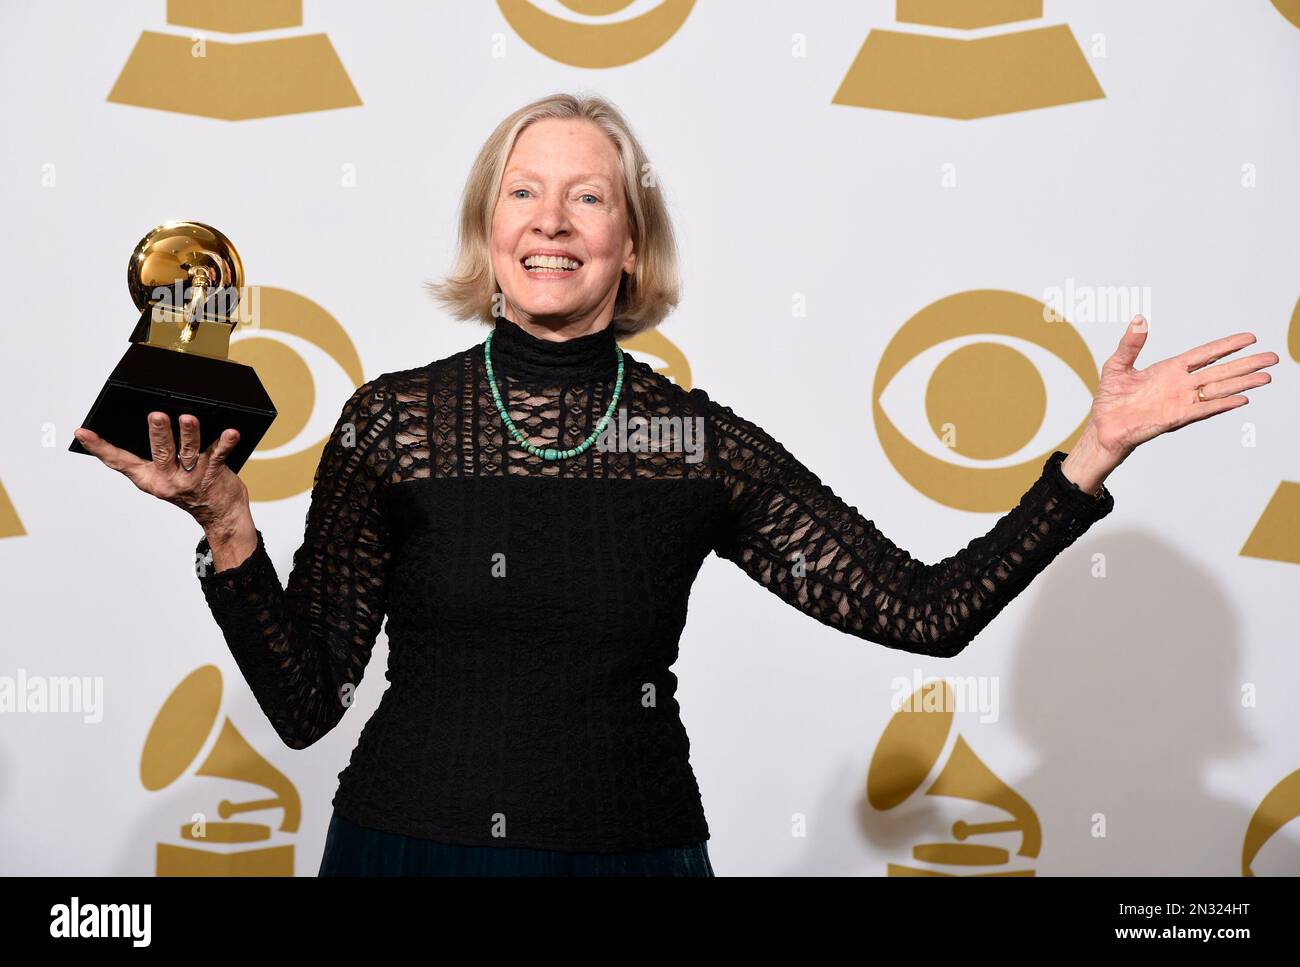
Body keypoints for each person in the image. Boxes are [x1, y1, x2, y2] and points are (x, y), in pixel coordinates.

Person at [73, 93, 1278, 877]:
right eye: (523, 191)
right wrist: (227, 525)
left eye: (588, 194)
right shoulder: (394, 422)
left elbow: (925, 609)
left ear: (630, 243)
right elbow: (305, 702)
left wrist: (1092, 452)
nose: (552, 220)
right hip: (408, 850)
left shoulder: (691, 445)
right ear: (486, 230)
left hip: (632, 857)